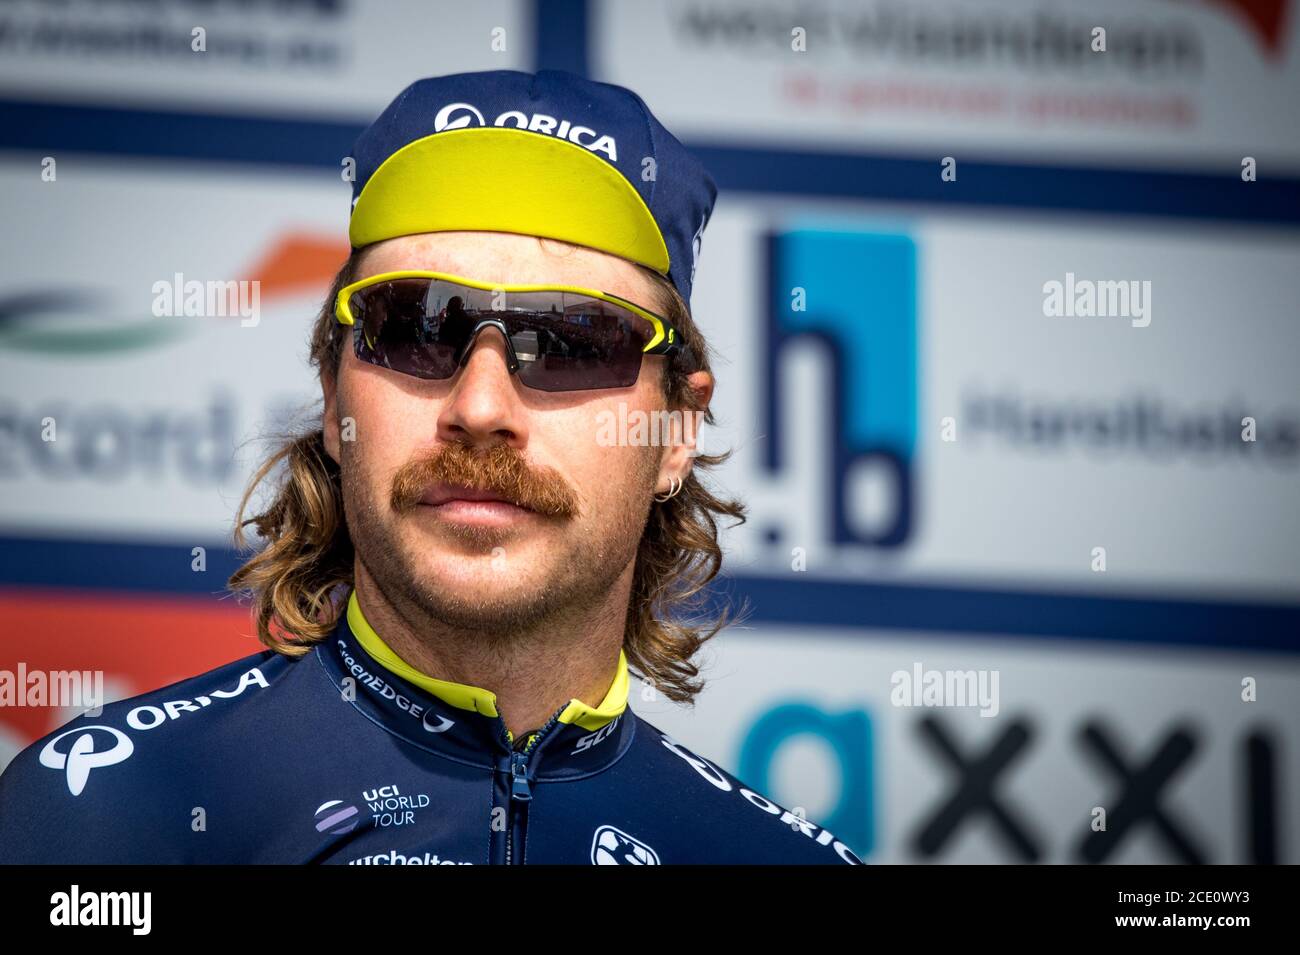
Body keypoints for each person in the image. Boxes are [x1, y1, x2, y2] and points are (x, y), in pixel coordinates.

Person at [0, 69, 861, 865]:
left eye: (571, 341)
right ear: (335, 396)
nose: (480, 407)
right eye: (416, 325)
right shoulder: (103, 816)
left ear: (676, 428)